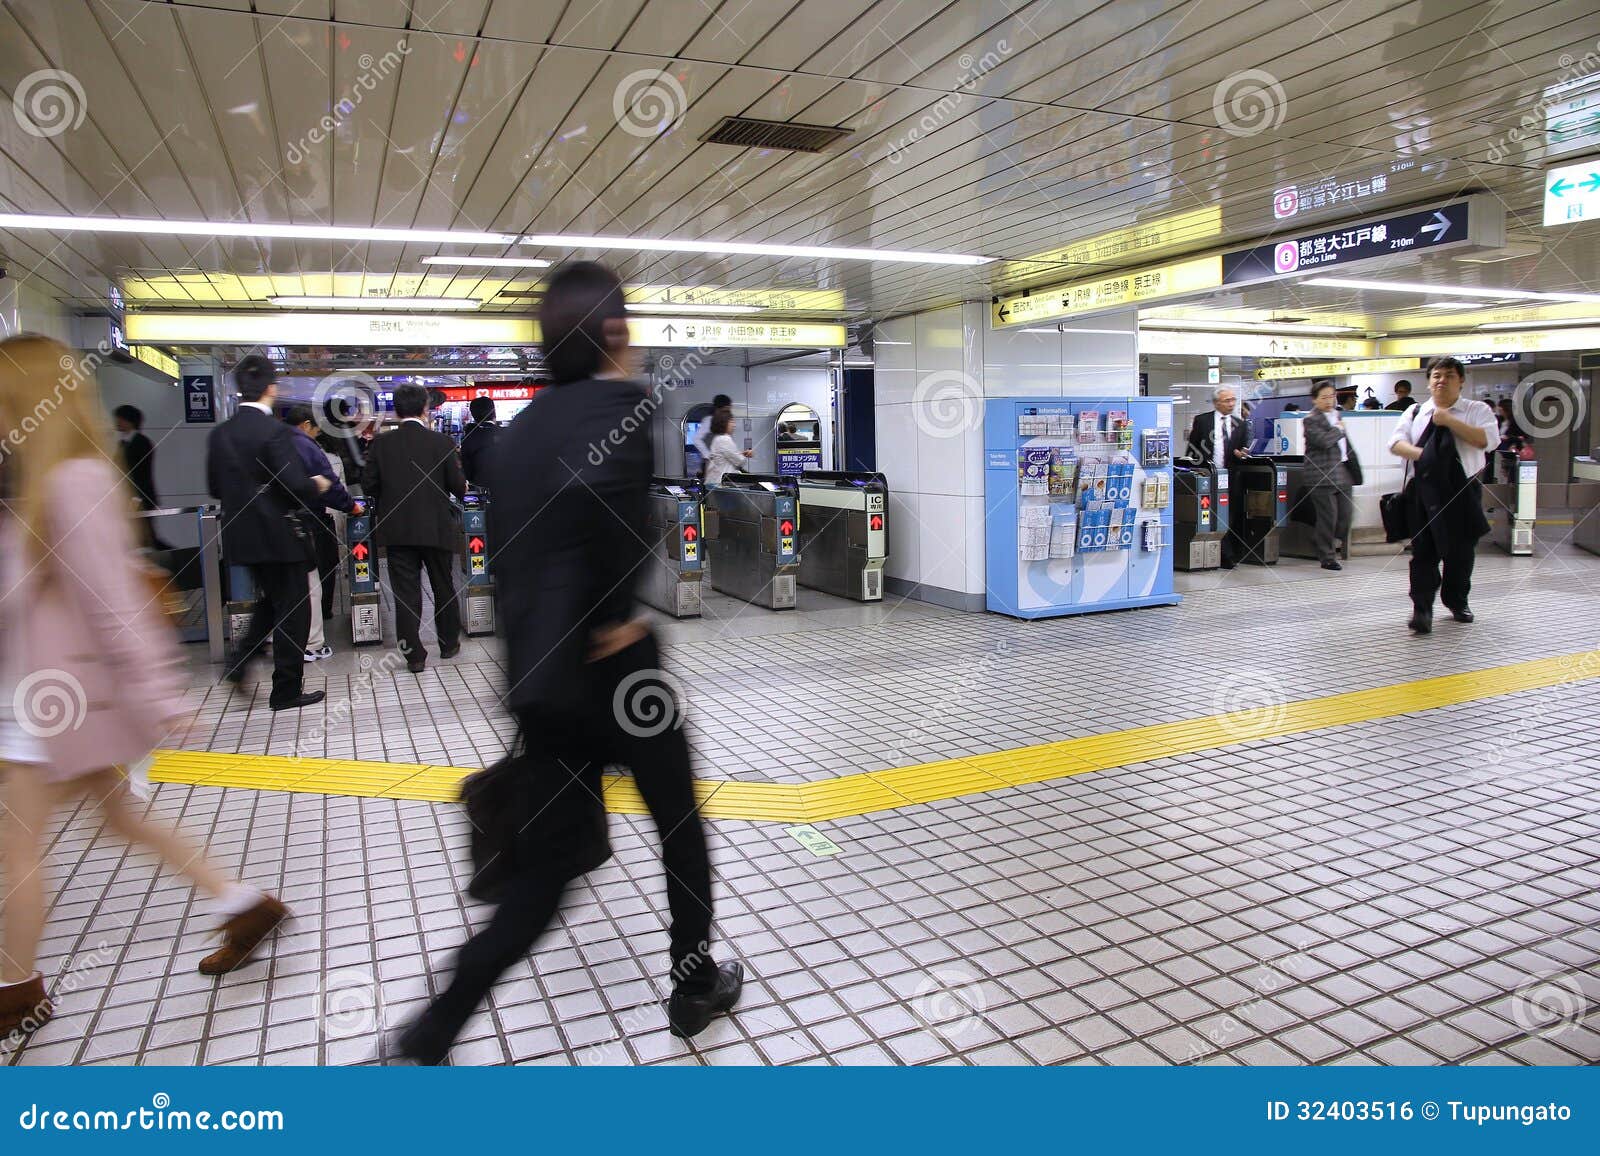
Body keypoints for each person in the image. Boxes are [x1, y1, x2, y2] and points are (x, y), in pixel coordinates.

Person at [396, 261, 741, 1065]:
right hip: (620, 677)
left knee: (544, 877)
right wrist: (613, 617)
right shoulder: (626, 406)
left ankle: (431, 1029)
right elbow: (619, 530)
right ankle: (694, 988)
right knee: (680, 829)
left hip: (540, 683)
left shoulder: (515, 439)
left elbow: (515, 555)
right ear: (612, 333)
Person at [0, 337, 289, 1044]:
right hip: (46, 697)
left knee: (15, 850)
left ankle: (14, 991)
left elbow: (112, 600)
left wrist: (161, 693)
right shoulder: (43, 482)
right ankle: (245, 902)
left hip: (45, 706)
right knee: (119, 818)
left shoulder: (70, 483)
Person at [208, 355, 329, 710]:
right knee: (294, 610)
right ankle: (286, 690)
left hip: (241, 535)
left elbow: (215, 487)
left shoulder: (221, 434)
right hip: (280, 534)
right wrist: (317, 484)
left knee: (270, 602)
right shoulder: (274, 432)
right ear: (271, 389)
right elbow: (293, 484)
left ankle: (240, 663)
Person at [1389, 357, 1499, 634]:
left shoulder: (1476, 410)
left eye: (1449, 375)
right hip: (1424, 493)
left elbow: (1486, 441)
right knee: (1423, 553)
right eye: (1436, 375)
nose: (1441, 380)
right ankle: (1422, 609)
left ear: (1461, 381)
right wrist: (1426, 457)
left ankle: (1457, 601)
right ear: (1429, 381)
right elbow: (1397, 443)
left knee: (1460, 553)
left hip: (1462, 492)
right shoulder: (1415, 412)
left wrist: (1449, 420)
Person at [362, 383, 466, 674]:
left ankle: (415, 655)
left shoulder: (381, 445)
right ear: (425, 408)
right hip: (436, 528)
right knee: (443, 585)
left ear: (395, 410)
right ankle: (448, 644)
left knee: (405, 593)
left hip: (397, 531)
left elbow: (369, 486)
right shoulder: (442, 443)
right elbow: (458, 487)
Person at [284, 405, 358, 660]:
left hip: (273, 524)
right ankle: (311, 643)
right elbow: (331, 486)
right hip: (306, 522)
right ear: (306, 426)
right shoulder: (307, 447)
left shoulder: (272, 443)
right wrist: (351, 506)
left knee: (282, 584)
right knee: (312, 584)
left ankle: (281, 636)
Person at [1186, 387, 1250, 568]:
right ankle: (1221, 554)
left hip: (1230, 477)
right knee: (1209, 514)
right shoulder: (1203, 421)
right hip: (1208, 476)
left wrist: (1242, 454)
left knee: (1227, 516)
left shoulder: (1240, 423)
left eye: (1233, 400)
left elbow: (1244, 448)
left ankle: (1226, 553)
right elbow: (1193, 450)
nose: (1231, 404)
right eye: (1227, 400)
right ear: (1216, 403)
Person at [1302, 382, 1360, 571]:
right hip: (1321, 474)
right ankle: (1327, 557)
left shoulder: (1337, 415)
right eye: (1324, 397)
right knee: (1329, 517)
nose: (1329, 401)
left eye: (1331, 396)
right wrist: (1338, 429)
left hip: (1343, 471)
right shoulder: (1311, 419)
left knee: (1345, 516)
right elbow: (1323, 441)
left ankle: (1320, 539)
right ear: (1314, 399)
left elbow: (1346, 445)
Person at [112, 404, 170, 549]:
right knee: (141, 537)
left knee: (146, 537)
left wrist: (136, 499)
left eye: (120, 419)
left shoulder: (142, 443)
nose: (117, 423)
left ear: (129, 421)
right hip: (132, 498)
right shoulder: (123, 443)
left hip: (141, 498)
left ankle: (169, 557)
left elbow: (141, 474)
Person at [459, 395, 501, 487]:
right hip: (508, 486)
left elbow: (466, 470)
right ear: (494, 412)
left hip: (479, 486)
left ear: (473, 415)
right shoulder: (508, 433)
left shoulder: (468, 438)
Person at [703, 410, 751, 485]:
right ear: (724, 423)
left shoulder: (717, 439)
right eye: (731, 421)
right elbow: (740, 461)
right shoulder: (725, 439)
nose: (734, 425)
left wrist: (740, 454)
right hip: (721, 483)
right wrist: (746, 454)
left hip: (714, 481)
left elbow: (725, 456)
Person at [693, 393, 733, 470]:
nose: (729, 410)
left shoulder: (725, 420)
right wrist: (708, 456)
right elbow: (696, 439)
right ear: (720, 408)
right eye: (727, 408)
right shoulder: (709, 420)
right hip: (712, 463)